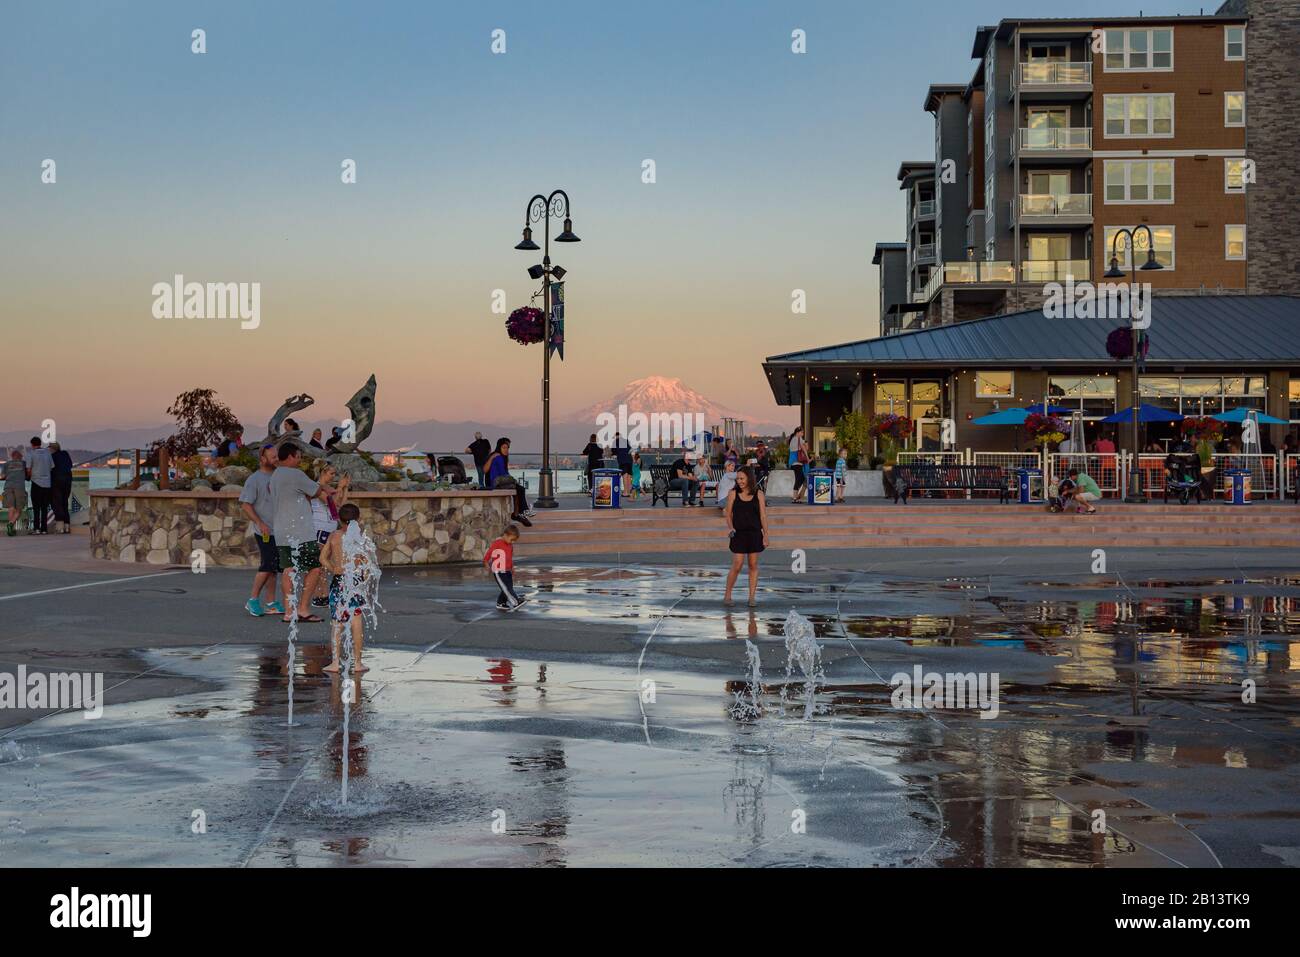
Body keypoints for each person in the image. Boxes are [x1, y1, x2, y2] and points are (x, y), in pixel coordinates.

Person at [271, 441, 334, 623]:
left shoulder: (276, 475)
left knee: (288, 570)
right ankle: (304, 609)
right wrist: (326, 488)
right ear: (290, 456)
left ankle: (289, 612)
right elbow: (315, 491)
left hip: (282, 530)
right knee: (314, 567)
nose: (299, 460)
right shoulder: (295, 474)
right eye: (298, 456)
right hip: (301, 531)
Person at [321, 503, 372, 673]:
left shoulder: (334, 536)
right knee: (356, 622)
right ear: (358, 519)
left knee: (337, 623)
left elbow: (322, 558)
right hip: (354, 580)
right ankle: (357, 663)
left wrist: (333, 568)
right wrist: (364, 577)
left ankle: (335, 663)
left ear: (339, 519)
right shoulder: (359, 538)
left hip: (339, 580)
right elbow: (366, 562)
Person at [238, 443, 286, 617]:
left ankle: (271, 602)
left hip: (278, 530)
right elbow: (246, 505)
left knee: (273, 568)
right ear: (262, 459)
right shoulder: (254, 479)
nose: (276, 459)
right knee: (267, 565)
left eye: (277, 456)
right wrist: (260, 523)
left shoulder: (278, 476)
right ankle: (252, 600)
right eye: (272, 457)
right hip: (264, 531)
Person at [724, 466, 768, 606]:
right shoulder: (733, 493)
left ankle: (751, 597)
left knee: (753, 564)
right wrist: (730, 527)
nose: (739, 481)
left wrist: (766, 534)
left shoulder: (759, 494)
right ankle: (727, 595)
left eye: (742, 478)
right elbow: (728, 514)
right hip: (739, 533)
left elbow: (763, 516)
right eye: (738, 479)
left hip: (754, 533)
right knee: (737, 564)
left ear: (749, 478)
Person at [309, 462, 350, 607]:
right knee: (321, 563)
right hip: (320, 528)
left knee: (328, 563)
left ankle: (324, 595)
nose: (333, 476)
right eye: (331, 473)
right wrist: (339, 487)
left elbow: (340, 505)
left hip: (330, 528)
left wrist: (344, 488)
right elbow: (330, 503)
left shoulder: (330, 488)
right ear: (323, 472)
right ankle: (320, 595)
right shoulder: (316, 487)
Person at [484, 437, 533, 526]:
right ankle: (519, 514)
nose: (506, 450)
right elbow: (487, 470)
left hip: (500, 481)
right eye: (504, 447)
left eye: (507, 448)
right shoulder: (497, 456)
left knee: (518, 489)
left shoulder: (503, 457)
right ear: (499, 447)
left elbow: (505, 473)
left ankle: (517, 514)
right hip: (496, 482)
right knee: (519, 488)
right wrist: (512, 480)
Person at [483, 524, 525, 611]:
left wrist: (512, 568)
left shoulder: (510, 546)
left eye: (514, 541)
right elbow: (490, 552)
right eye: (512, 539)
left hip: (507, 570)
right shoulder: (497, 543)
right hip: (498, 570)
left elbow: (509, 557)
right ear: (505, 535)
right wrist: (486, 561)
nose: (512, 542)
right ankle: (515, 602)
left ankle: (501, 603)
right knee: (506, 587)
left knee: (508, 587)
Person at [25, 437, 53, 535]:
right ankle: (44, 529)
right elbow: (51, 467)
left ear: (32, 444)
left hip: (36, 483)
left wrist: (28, 476)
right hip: (47, 483)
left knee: (36, 507)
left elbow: (28, 469)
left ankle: (36, 528)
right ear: (40, 443)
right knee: (44, 507)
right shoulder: (47, 453)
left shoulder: (31, 454)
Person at [48, 442, 74, 533]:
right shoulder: (65, 454)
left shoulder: (52, 457)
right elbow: (70, 465)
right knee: (64, 503)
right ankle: (67, 525)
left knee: (56, 503)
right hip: (67, 481)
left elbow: (50, 468)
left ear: (52, 449)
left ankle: (60, 526)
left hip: (56, 481)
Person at [4, 449, 27, 537]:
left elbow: (3, 476)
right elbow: (27, 473)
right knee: (19, 510)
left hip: (8, 487)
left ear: (12, 456)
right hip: (19, 487)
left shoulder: (7, 464)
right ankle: (11, 524)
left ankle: (11, 529)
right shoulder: (23, 463)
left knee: (11, 508)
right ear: (20, 457)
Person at [787, 426, 808, 503]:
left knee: (799, 479)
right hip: (796, 462)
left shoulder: (793, 439)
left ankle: (795, 497)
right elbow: (805, 449)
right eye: (802, 432)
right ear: (797, 432)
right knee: (800, 478)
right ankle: (795, 497)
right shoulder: (797, 439)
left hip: (794, 462)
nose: (802, 434)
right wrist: (807, 457)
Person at [614, 432, 634, 497]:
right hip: (629, 460)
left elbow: (614, 451)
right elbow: (630, 449)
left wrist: (614, 455)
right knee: (628, 476)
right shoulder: (626, 440)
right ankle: (628, 492)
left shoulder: (616, 441)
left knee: (624, 476)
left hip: (623, 460)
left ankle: (625, 492)